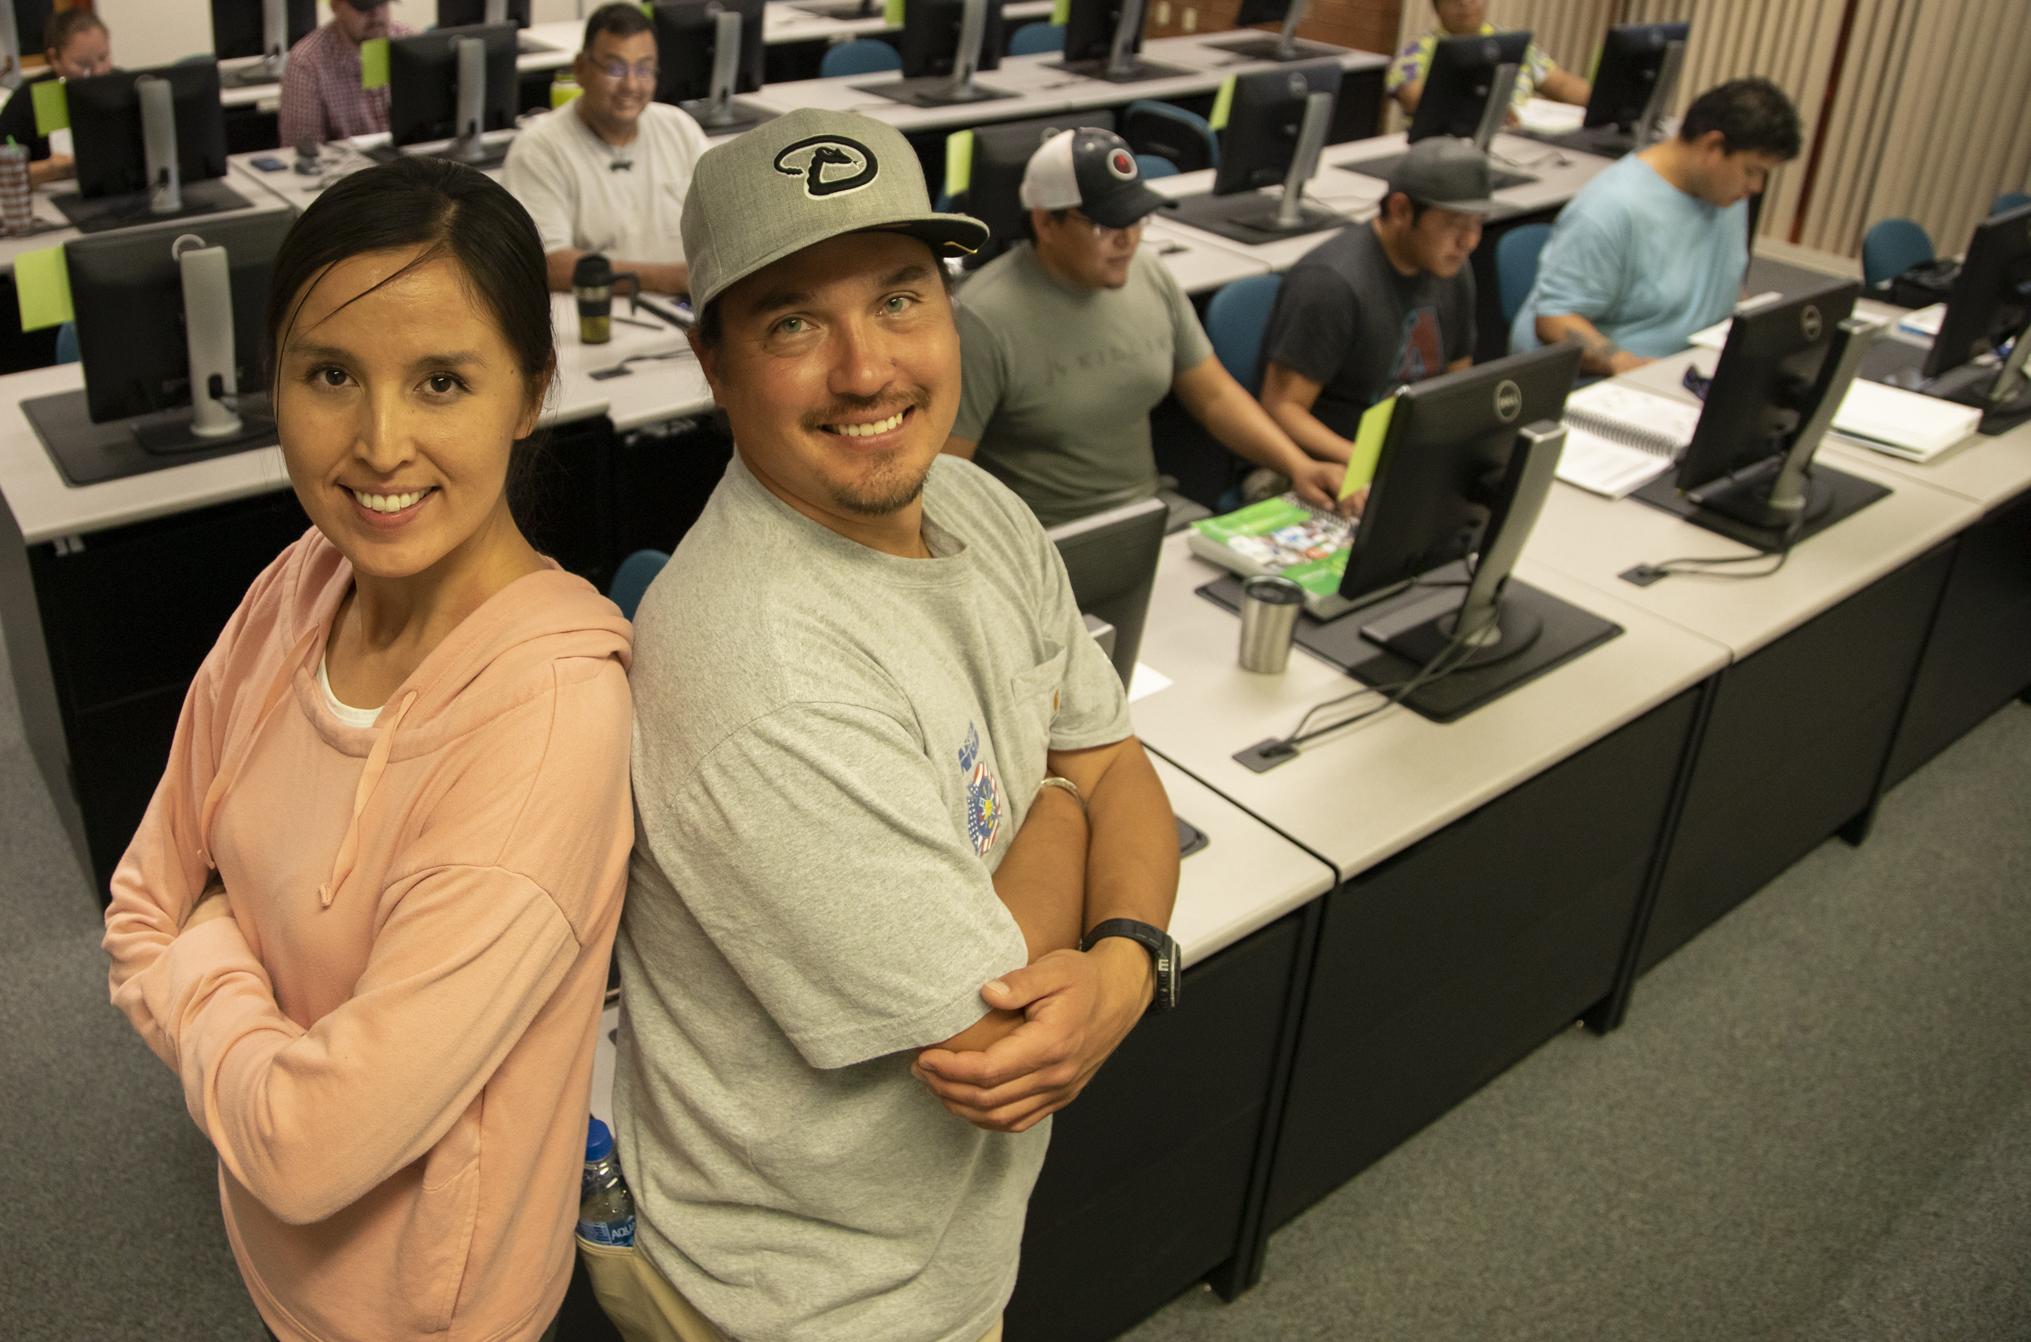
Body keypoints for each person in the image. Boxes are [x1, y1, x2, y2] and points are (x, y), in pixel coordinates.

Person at [603, 108, 1185, 1342]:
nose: (867, 370)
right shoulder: (762, 673)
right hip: (807, 1302)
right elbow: (998, 1033)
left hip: (939, 1246)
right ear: (713, 362)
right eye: (793, 323)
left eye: (900, 299)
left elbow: (1121, 762)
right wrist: (1064, 791)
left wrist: (1128, 958)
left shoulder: (976, 502)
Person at [102, 158, 634, 1342]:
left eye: (442, 381)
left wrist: (206, 943)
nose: (379, 445)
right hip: (275, 1260)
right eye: (331, 374)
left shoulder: (549, 724)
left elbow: (306, 1147)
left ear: (530, 393)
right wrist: (220, 984)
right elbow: (139, 907)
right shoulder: (303, 583)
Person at [943, 126, 1346, 524]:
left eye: (1137, 219)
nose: (1129, 240)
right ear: (1046, 223)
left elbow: (1215, 396)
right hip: (1043, 534)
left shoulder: (1149, 272)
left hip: (1149, 510)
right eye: (1106, 225)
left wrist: (1299, 466)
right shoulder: (982, 320)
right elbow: (947, 478)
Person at [1510, 77, 1804, 372]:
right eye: (1751, 171)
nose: (1756, 186)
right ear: (1713, 146)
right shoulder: (1611, 208)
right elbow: (1555, 320)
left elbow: (1723, 282)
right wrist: (1635, 368)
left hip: (1694, 364)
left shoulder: (1724, 194)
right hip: (1617, 374)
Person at [1257, 137, 1491, 463]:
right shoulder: (1330, 284)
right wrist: (1372, 464)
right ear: (1401, 210)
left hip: (1405, 453)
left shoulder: (1453, 269)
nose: (1470, 241)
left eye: (1478, 223)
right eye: (1455, 224)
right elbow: (1281, 409)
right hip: (1321, 462)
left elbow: (1457, 383)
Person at [505, 2, 705, 295]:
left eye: (644, 69)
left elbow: (728, 218)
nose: (630, 85)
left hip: (682, 302)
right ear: (580, 69)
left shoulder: (679, 128)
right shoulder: (538, 149)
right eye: (615, 69)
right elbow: (548, 263)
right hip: (598, 310)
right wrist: (668, 279)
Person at [1387, 0, 1589, 119]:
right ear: (1435, 5)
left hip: (1518, 141)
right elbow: (1413, 98)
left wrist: (1601, 101)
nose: (1465, 2)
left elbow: (1563, 86)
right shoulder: (1416, 51)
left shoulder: (1510, 44)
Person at [278, 0, 416, 147]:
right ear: (335, 7)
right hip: (348, 165)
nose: (376, 15)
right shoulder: (307, 62)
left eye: (382, 3)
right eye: (364, 6)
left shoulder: (411, 42)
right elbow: (302, 150)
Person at [0, 8, 113, 191]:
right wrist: (49, 170)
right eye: (83, 64)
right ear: (55, 58)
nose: (97, 72)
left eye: (103, 58)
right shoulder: (33, 97)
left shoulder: (124, 87)